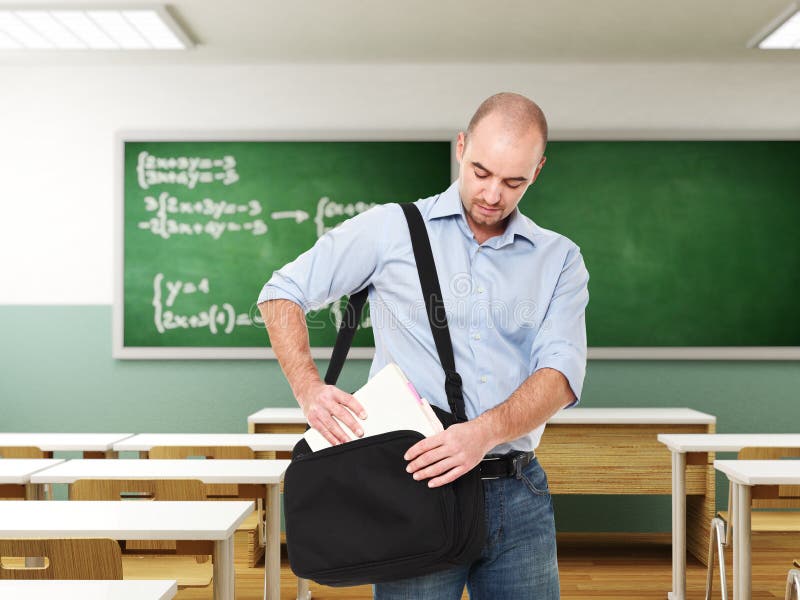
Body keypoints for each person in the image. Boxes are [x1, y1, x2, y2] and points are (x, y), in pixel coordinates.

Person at [257, 91, 589, 600]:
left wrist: (481, 434)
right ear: (461, 146)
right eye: (481, 171)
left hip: (518, 495)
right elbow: (282, 293)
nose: (493, 194)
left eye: (513, 181)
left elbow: (561, 375)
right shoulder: (390, 229)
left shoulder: (560, 258)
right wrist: (308, 387)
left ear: (538, 171)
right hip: (415, 484)